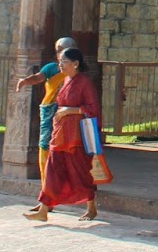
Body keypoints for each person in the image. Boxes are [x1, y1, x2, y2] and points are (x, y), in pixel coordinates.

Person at [24, 47, 101, 222]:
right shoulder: (66, 80)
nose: (60, 65)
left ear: (75, 64)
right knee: (52, 170)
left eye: (64, 62)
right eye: (60, 61)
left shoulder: (85, 83)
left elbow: (93, 109)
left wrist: (70, 110)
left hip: (76, 137)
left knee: (79, 171)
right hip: (60, 135)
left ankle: (91, 207)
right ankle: (43, 210)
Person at [15, 36, 77, 178]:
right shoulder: (51, 68)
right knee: (45, 144)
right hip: (50, 110)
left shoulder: (76, 70)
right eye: (59, 51)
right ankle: (47, 181)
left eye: (65, 51)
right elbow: (39, 77)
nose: (61, 54)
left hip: (68, 112)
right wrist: (25, 81)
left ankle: (65, 179)